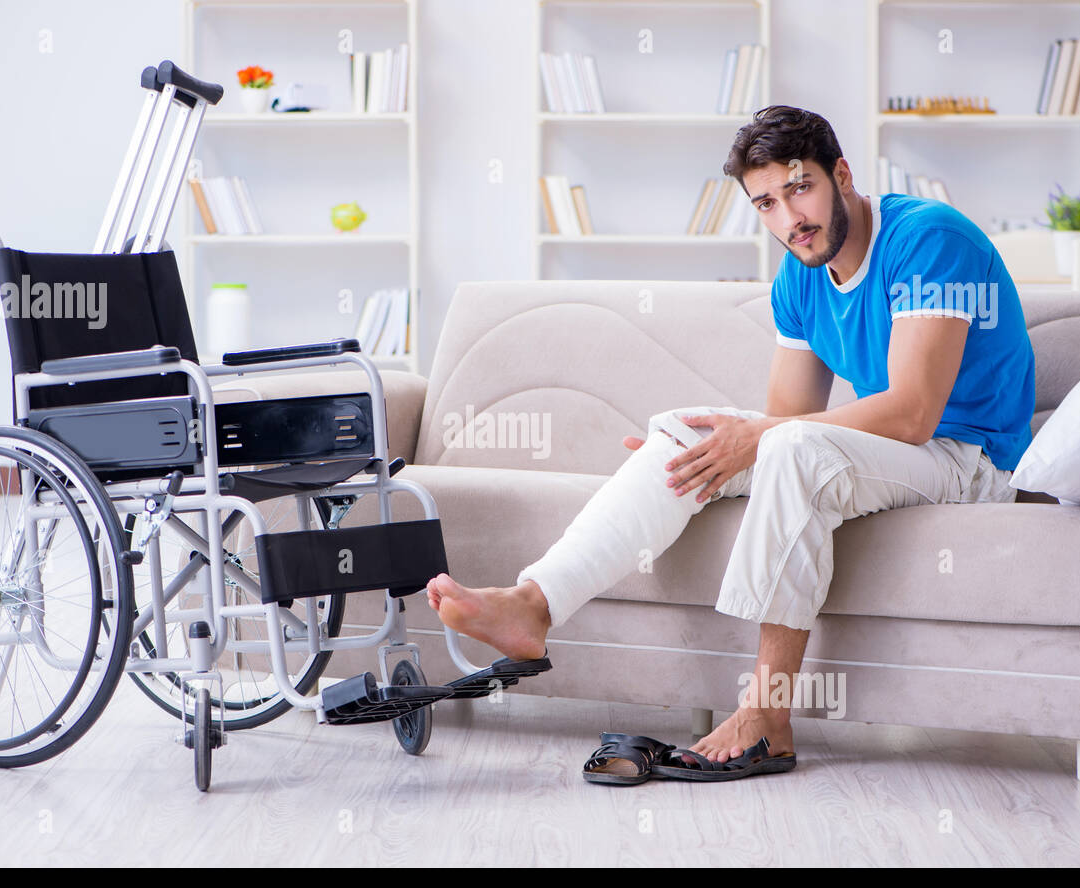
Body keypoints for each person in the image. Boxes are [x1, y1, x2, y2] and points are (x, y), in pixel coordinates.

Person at [426, 105, 1035, 772]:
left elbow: (913, 414)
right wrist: (709, 453)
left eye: (800, 188)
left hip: (968, 457)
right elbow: (790, 414)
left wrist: (760, 437)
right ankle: (534, 603)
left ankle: (767, 716)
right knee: (685, 434)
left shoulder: (928, 239)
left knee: (786, 446)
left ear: (842, 174)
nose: (790, 220)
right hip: (896, 453)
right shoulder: (800, 274)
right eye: (767, 203)